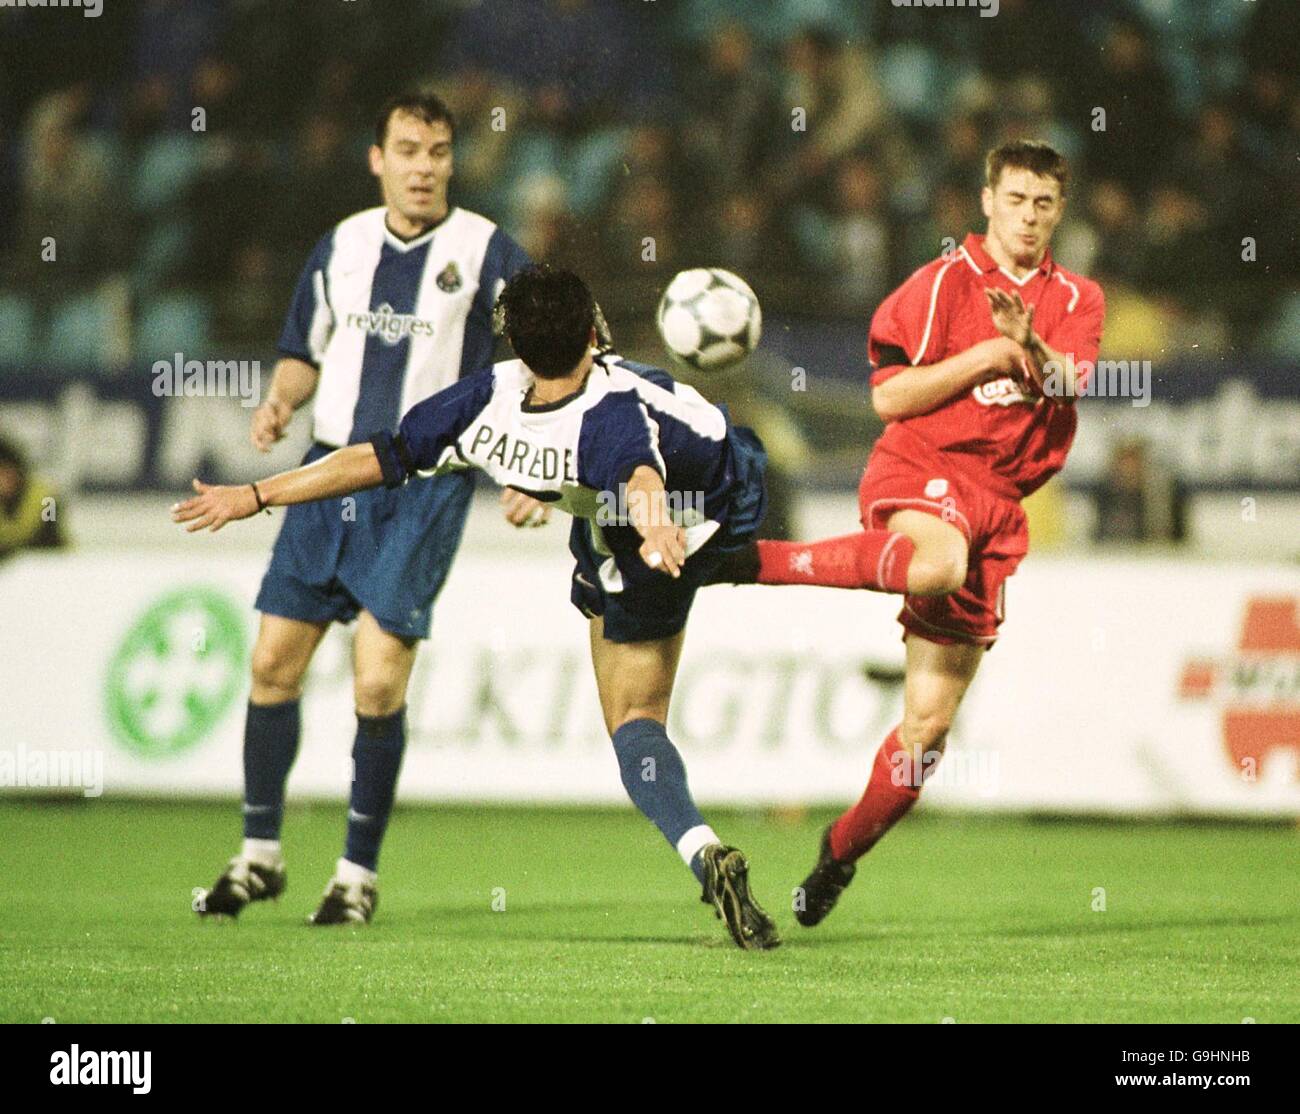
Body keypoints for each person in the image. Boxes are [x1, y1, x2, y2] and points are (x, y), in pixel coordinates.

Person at [174, 265, 781, 951]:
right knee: (622, 523)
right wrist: (609, 501)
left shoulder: (489, 399)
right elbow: (630, 465)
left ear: (516, 348)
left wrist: (255, 495)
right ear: (590, 331)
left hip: (678, 522)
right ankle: (766, 565)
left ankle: (706, 859)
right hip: (704, 479)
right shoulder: (605, 410)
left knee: (635, 721)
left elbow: (376, 456)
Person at [713, 140, 1105, 928]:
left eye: (1044, 204)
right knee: (936, 560)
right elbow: (892, 398)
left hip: (999, 502)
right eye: (1016, 199)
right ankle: (748, 558)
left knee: (926, 730)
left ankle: (838, 853)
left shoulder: (1078, 298)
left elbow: (1070, 382)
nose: (1028, 217)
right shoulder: (939, 285)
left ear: (1059, 212)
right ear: (986, 200)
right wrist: (990, 351)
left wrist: (1025, 341)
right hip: (923, 467)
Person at [195, 92, 534, 927]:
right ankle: (259, 856)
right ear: (377, 158)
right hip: (327, 474)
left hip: (423, 487)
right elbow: (304, 354)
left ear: (454, 161)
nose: (424, 166)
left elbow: (541, 362)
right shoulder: (342, 245)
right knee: (273, 664)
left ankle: (355, 874)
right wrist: (279, 403)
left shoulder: (488, 251)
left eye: (440, 151)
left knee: (377, 683)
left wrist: (533, 469)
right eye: (409, 149)